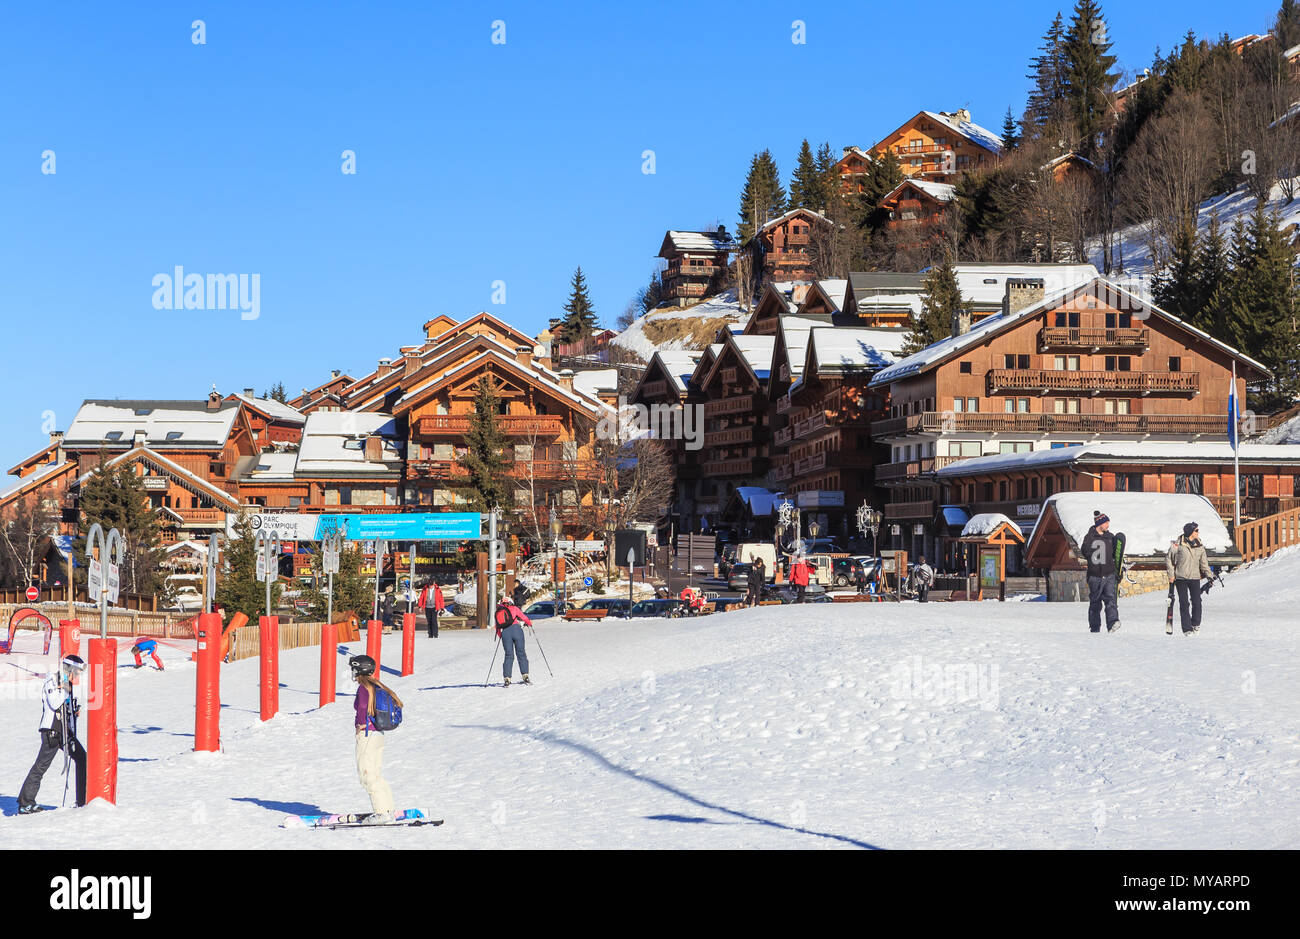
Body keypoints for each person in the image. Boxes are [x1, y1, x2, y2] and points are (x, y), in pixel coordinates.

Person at [17, 654, 87, 813]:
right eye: (76, 672)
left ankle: (82, 800)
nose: (77, 676)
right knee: (41, 766)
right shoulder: (52, 679)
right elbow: (55, 702)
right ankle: (25, 803)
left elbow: (63, 706)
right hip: (52, 731)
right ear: (69, 668)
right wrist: (65, 690)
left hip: (64, 731)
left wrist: (72, 712)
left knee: (83, 758)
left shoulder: (66, 683)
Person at [348, 654, 400, 823]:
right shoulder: (377, 685)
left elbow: (363, 706)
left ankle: (381, 813)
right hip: (378, 734)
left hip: (368, 734)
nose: (352, 672)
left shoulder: (364, 687)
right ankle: (388, 809)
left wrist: (361, 724)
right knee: (376, 774)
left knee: (368, 775)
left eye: (353, 669)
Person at [1167, 521, 1213, 635]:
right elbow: (1168, 559)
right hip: (1181, 577)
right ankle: (1186, 629)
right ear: (1190, 532)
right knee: (1184, 603)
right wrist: (1171, 575)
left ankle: (1196, 624)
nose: (1198, 532)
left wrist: (1209, 576)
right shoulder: (1178, 544)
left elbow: (1204, 563)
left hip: (1194, 577)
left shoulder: (1199, 545)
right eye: (1196, 530)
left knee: (1197, 601)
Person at [1081, 511, 1121, 633]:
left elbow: (1117, 555)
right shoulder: (1089, 537)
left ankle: (1112, 623)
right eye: (1106, 522)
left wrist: (1118, 572)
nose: (1108, 524)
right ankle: (1094, 628)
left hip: (1109, 574)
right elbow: (1085, 552)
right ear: (1100, 523)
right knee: (1095, 603)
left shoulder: (1110, 537)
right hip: (1095, 576)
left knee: (1111, 600)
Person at [493, 597, 532, 686]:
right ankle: (525, 675)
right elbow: (524, 617)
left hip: (505, 633)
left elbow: (497, 627)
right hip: (516, 630)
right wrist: (529, 623)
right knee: (521, 653)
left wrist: (502, 636)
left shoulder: (499, 612)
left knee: (508, 655)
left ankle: (507, 678)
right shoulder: (514, 608)